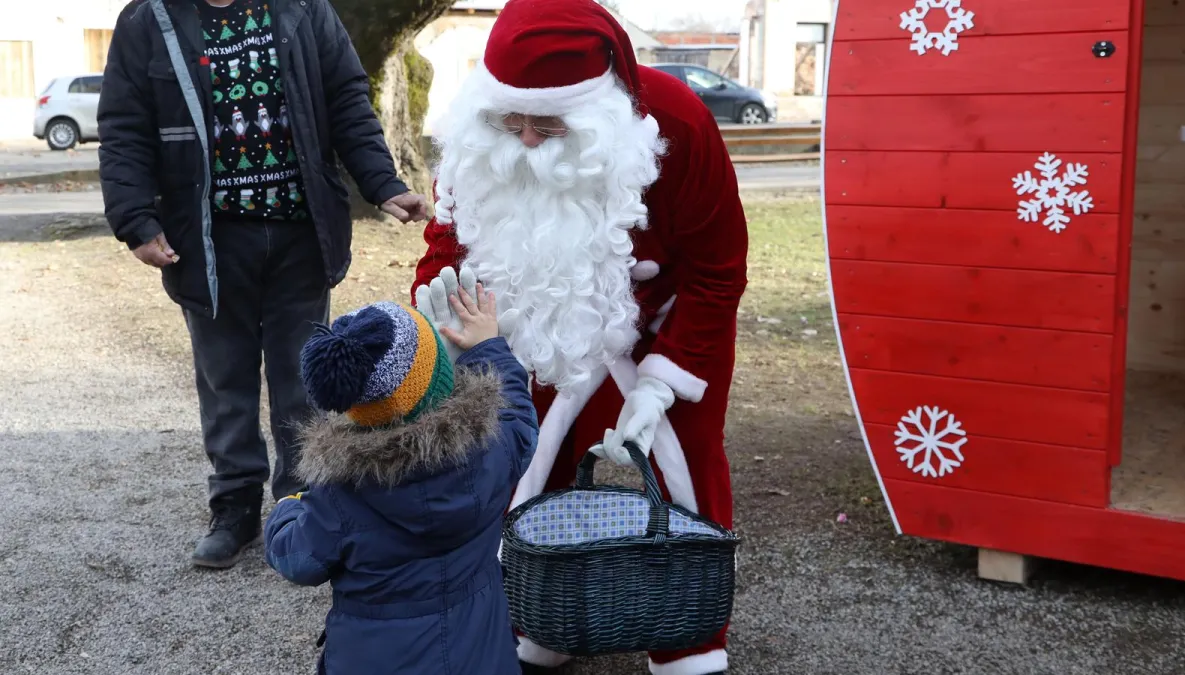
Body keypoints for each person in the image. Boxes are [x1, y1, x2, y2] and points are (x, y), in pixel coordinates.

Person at [410, 0, 748, 673]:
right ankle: (548, 612)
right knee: (533, 462)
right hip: (532, 317)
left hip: (662, 320)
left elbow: (719, 265)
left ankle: (687, 636)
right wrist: (437, 298)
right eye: (514, 122)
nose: (528, 142)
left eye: (550, 125)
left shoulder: (677, 121)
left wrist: (662, 381)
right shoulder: (480, 129)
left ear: (601, 110)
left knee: (682, 467)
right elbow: (451, 232)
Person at [97, 0, 428, 569]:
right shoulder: (148, 20)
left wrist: (381, 182)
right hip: (205, 236)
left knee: (301, 377)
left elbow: (347, 99)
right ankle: (234, 507)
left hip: (301, 232)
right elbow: (124, 128)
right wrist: (135, 220)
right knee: (224, 378)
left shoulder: (304, 10)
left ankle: (302, 506)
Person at [263, 288, 538, 675]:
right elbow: (520, 415)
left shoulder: (339, 493)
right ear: (441, 377)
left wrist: (286, 510)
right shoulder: (493, 451)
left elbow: (299, 561)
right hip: (481, 655)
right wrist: (489, 347)